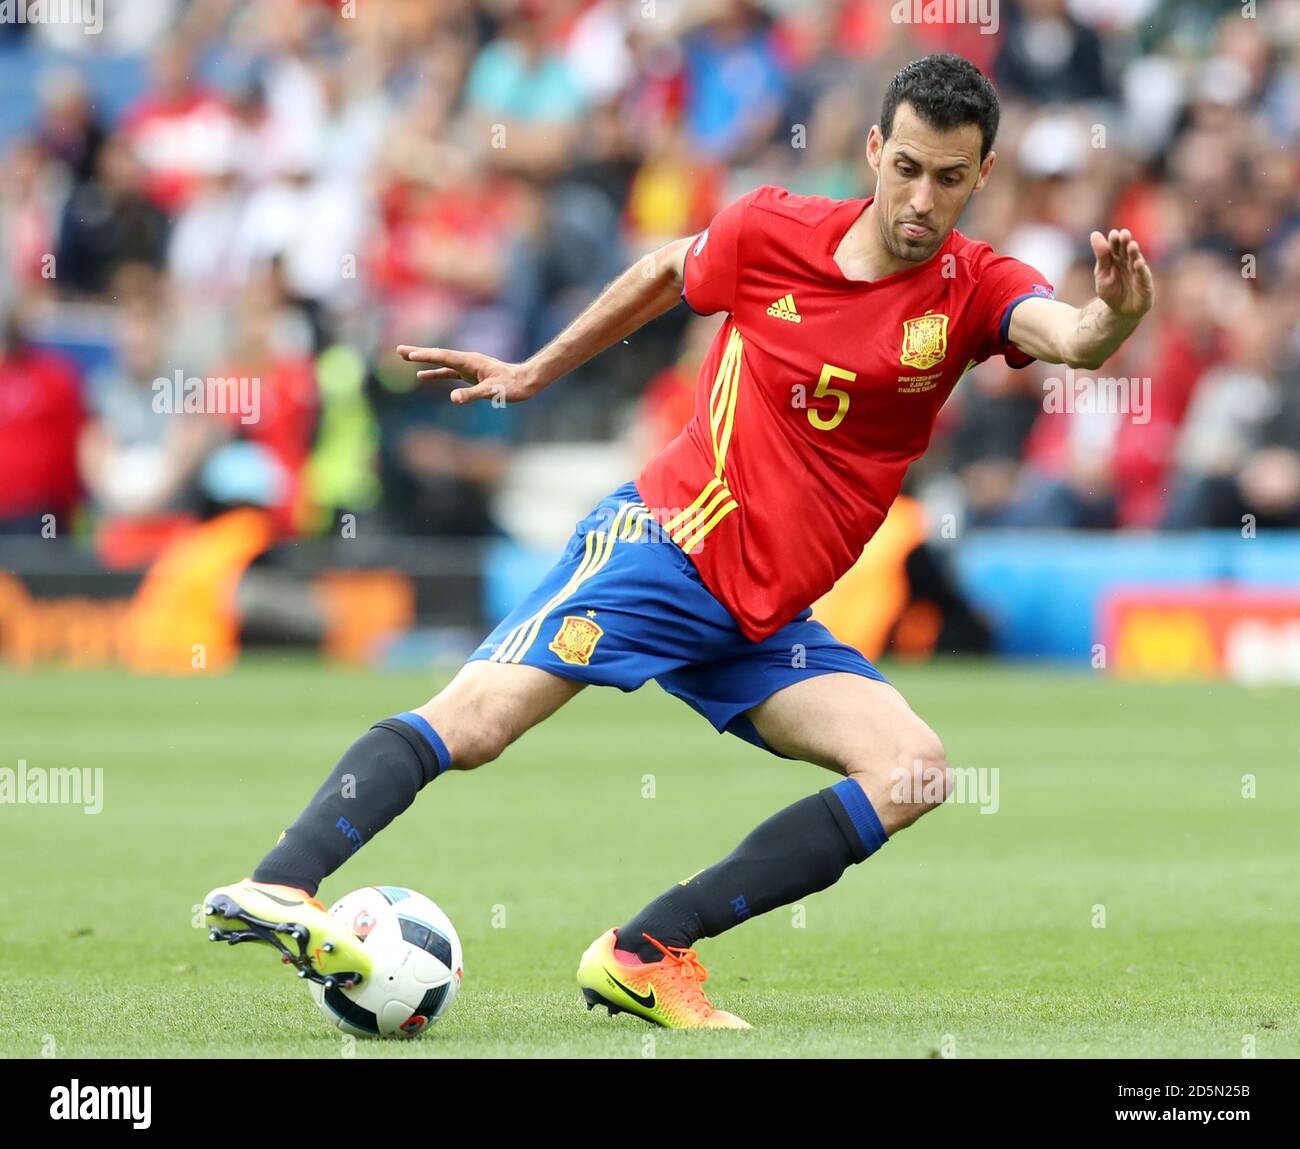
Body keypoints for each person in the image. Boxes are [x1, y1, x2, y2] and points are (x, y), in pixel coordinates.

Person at [202, 54, 1154, 1030]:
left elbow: (1074, 338)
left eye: (948, 178)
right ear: (872, 150)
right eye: (905, 167)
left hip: (764, 612)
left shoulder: (973, 286)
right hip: (667, 544)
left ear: (981, 175)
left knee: (911, 770)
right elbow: (665, 269)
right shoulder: (773, 230)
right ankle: (282, 881)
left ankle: (643, 953)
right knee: (480, 722)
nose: (920, 198)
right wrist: (536, 370)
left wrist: (1116, 310)